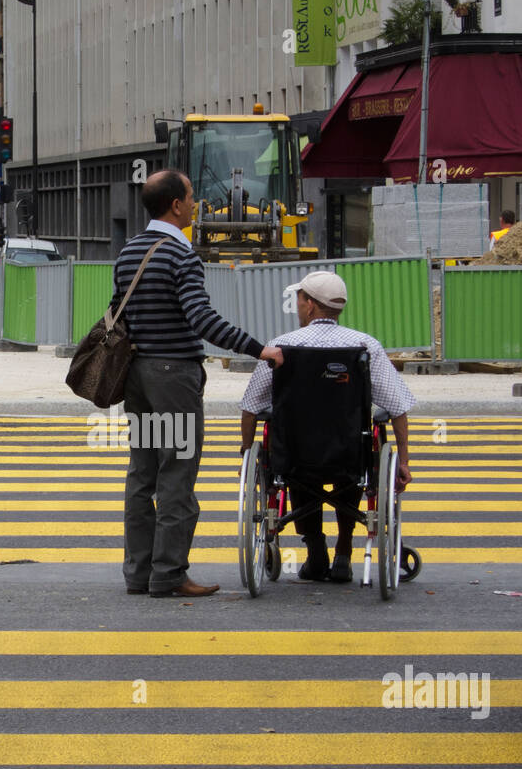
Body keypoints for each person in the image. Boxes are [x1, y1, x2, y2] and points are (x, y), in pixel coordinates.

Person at [117, 169, 284, 598]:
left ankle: (138, 573)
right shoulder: (181, 254)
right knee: (176, 474)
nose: (194, 204)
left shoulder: (129, 252)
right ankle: (169, 574)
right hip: (173, 379)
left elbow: (119, 315)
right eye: (190, 197)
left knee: (142, 473)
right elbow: (201, 318)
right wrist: (257, 349)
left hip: (137, 377)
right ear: (176, 204)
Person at [238, 271, 415, 583]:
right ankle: (344, 551)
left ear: (309, 306)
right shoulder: (365, 346)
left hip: (295, 454)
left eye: (299, 300)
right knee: (353, 463)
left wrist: (246, 451)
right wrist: (403, 461)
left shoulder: (281, 347)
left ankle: (315, 550)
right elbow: (399, 408)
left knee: (295, 462)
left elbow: (251, 407)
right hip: (349, 452)